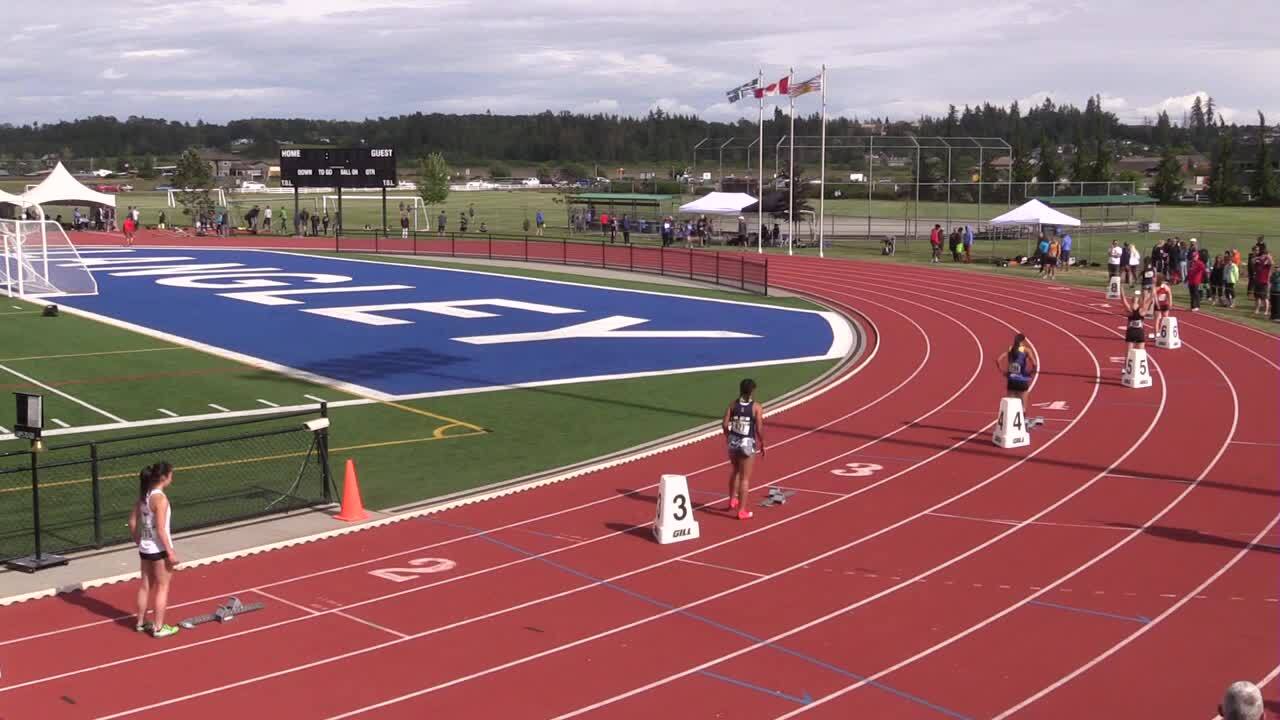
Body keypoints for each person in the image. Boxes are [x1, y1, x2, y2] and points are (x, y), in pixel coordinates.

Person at [129, 461, 180, 639]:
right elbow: (161, 529)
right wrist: (170, 552)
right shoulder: (160, 499)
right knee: (162, 587)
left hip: (145, 548)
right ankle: (159, 628)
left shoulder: (144, 496)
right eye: (171, 475)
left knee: (145, 586)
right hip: (158, 550)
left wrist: (139, 540)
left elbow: (133, 522)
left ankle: (141, 622)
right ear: (164, 477)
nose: (172, 478)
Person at [723, 378, 765, 521]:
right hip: (747, 444)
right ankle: (741, 511)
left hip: (733, 442)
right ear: (752, 391)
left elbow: (724, 424)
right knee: (745, 478)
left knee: (735, 471)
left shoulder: (732, 405)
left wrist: (729, 437)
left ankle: (732, 500)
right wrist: (763, 442)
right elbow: (759, 428)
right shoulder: (756, 407)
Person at [997, 333, 1042, 428]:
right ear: (1023, 341)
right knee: (1023, 406)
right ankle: (1023, 425)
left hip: (1011, 381)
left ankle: (1008, 425)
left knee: (1010, 404)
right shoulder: (1026, 350)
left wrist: (1003, 372)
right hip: (1022, 381)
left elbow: (998, 360)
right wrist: (1031, 373)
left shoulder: (1010, 349)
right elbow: (1034, 364)